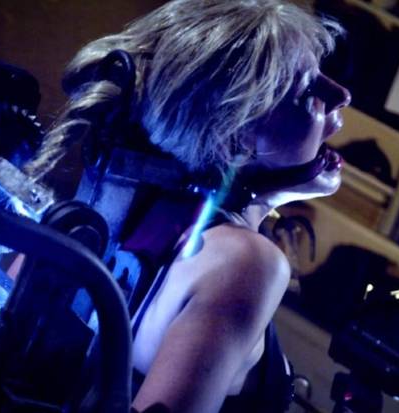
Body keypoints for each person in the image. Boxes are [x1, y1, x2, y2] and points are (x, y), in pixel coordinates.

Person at [24, 0, 352, 412]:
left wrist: (268, 193)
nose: (342, 95)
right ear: (234, 136)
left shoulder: (117, 205)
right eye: (306, 92)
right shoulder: (246, 263)